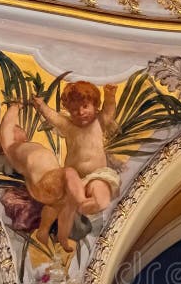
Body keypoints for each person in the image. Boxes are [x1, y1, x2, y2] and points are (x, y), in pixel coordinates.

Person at [0, 102, 84, 250]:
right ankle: (83, 201)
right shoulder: (11, 148)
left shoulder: (23, 147)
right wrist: (15, 107)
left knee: (64, 206)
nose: (19, 128)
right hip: (45, 182)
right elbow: (7, 126)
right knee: (70, 172)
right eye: (17, 128)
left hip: (47, 187)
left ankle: (49, 233)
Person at [32, 81, 120, 216]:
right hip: (75, 179)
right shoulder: (68, 126)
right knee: (68, 180)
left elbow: (108, 111)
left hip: (97, 175)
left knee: (100, 192)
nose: (80, 112)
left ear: (95, 105)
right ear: (68, 110)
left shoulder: (99, 122)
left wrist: (110, 96)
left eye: (85, 106)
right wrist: (41, 105)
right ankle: (80, 204)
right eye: (74, 109)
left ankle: (92, 205)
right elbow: (52, 116)